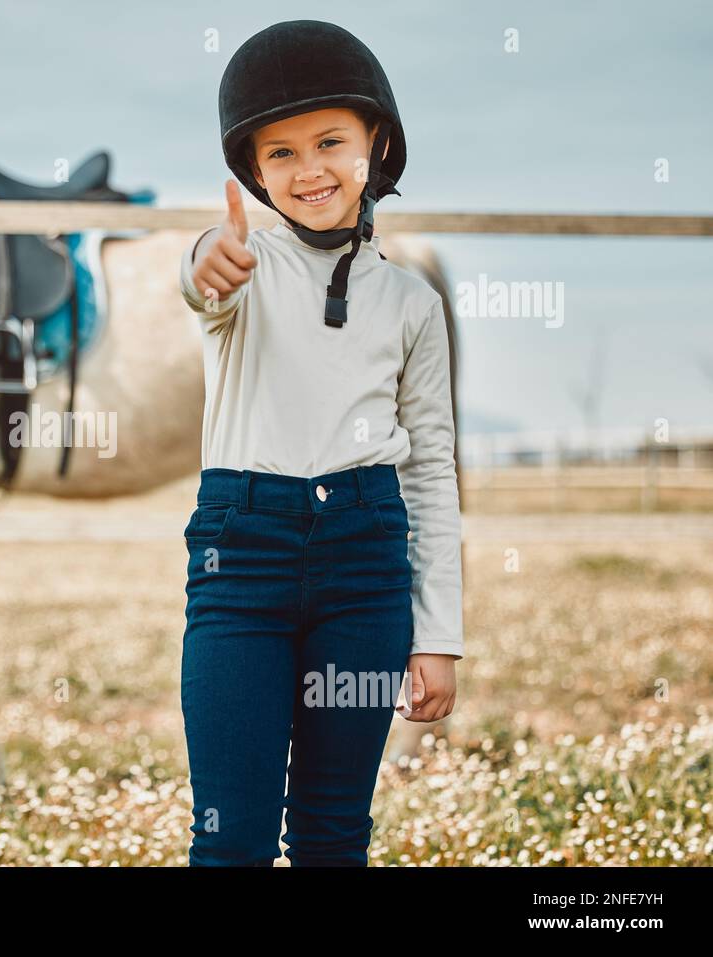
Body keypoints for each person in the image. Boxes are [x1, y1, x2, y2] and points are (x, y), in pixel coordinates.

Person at [179, 19, 463, 867]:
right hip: (242, 563)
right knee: (229, 837)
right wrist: (205, 259)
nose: (309, 171)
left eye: (331, 141)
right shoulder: (245, 269)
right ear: (254, 173)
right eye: (280, 154)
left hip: (365, 569)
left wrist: (437, 632)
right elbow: (205, 284)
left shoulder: (413, 304)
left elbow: (432, 470)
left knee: (335, 834)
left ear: (376, 143)